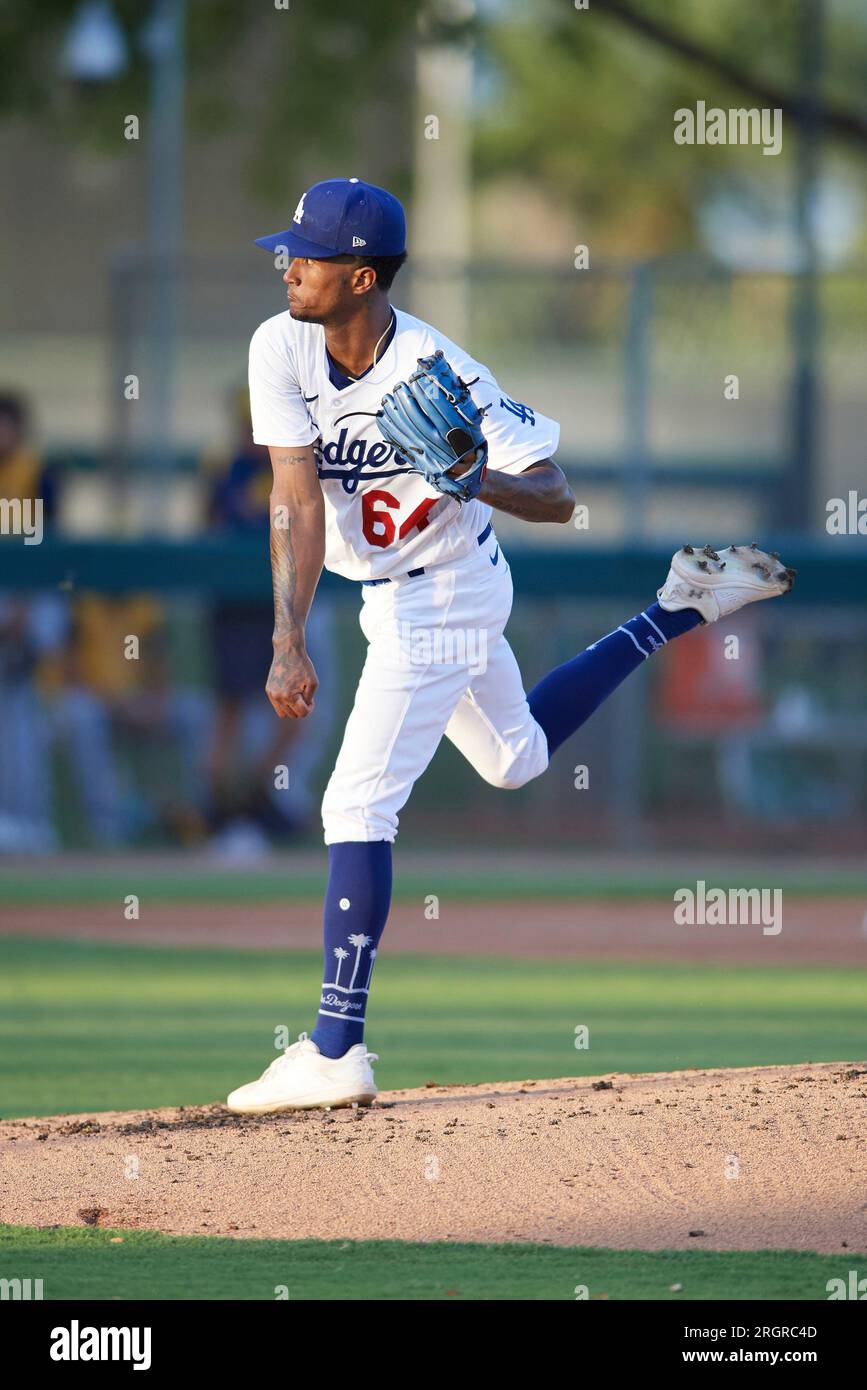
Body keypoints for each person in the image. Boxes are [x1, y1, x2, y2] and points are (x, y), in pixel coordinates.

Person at [227, 178, 794, 1113]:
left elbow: (557, 494)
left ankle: (336, 1048)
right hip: (385, 596)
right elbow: (294, 494)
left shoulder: (437, 369)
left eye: (309, 255)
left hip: (443, 594)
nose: (288, 266)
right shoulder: (277, 344)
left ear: (361, 275)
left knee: (355, 801)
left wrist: (472, 474)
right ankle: (677, 607)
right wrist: (288, 636)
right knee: (514, 757)